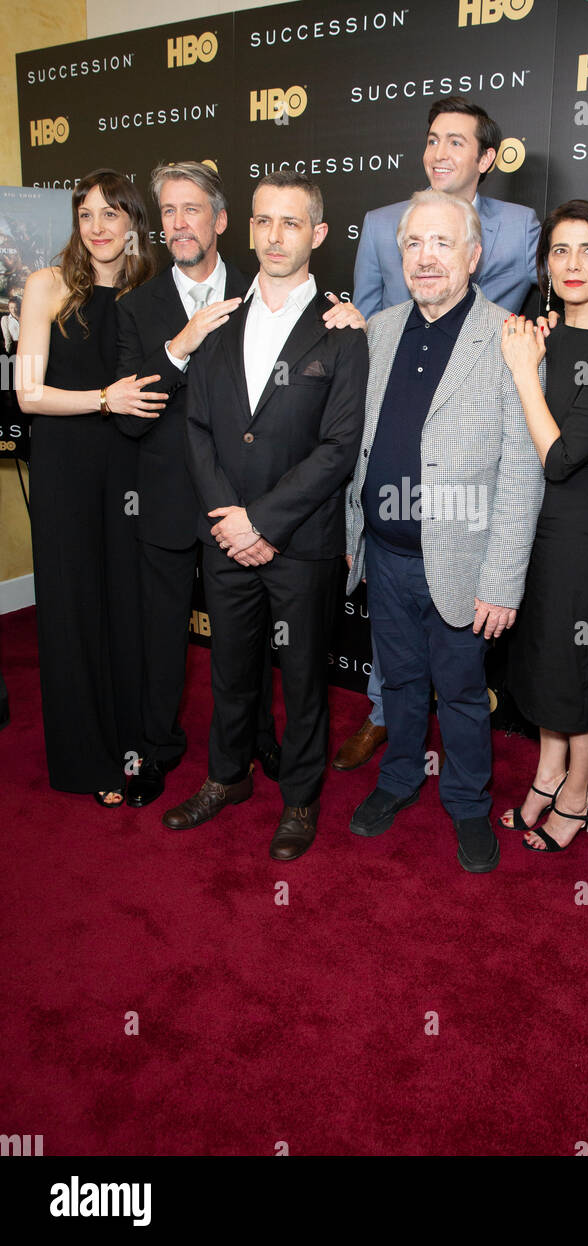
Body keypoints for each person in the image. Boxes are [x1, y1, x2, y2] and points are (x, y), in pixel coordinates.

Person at [335, 95, 541, 773]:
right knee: (397, 669)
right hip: (387, 539)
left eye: (457, 141)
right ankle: (392, 754)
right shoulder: (384, 240)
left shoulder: (516, 235)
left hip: (463, 505)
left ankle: (466, 799)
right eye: (432, 139)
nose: (440, 152)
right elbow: (367, 343)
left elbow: (519, 468)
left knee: (458, 686)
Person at [170, 170, 367, 861]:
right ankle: (227, 777)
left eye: (290, 223)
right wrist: (230, 517)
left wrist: (262, 523)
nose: (274, 236)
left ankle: (302, 798)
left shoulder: (342, 330)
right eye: (262, 221)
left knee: (307, 677)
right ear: (247, 228)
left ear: (316, 234)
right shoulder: (218, 322)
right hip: (223, 534)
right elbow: (195, 428)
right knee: (230, 669)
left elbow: (341, 448)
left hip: (301, 541)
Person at [115, 162, 279, 808]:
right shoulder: (138, 309)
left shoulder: (262, 290)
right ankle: (155, 750)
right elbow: (131, 416)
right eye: (170, 213)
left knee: (250, 635)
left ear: (221, 220)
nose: (180, 224)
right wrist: (178, 346)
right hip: (163, 500)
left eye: (192, 210)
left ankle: (258, 737)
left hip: (238, 503)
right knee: (161, 637)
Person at [498, 201, 588, 851]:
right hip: (533, 527)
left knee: (578, 666)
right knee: (544, 661)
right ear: (545, 265)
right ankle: (548, 773)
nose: (573, 264)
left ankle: (580, 794)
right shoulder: (543, 331)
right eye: (560, 251)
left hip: (586, 534)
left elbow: (559, 457)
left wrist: (526, 372)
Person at [16, 169, 158, 804]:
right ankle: (87, 761)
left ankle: (134, 747)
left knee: (126, 607)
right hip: (64, 468)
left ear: (133, 222)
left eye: (111, 214)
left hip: (131, 468)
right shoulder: (46, 287)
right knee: (74, 609)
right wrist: (106, 399)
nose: (98, 228)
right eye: (86, 216)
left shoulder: (148, 289)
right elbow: (29, 393)